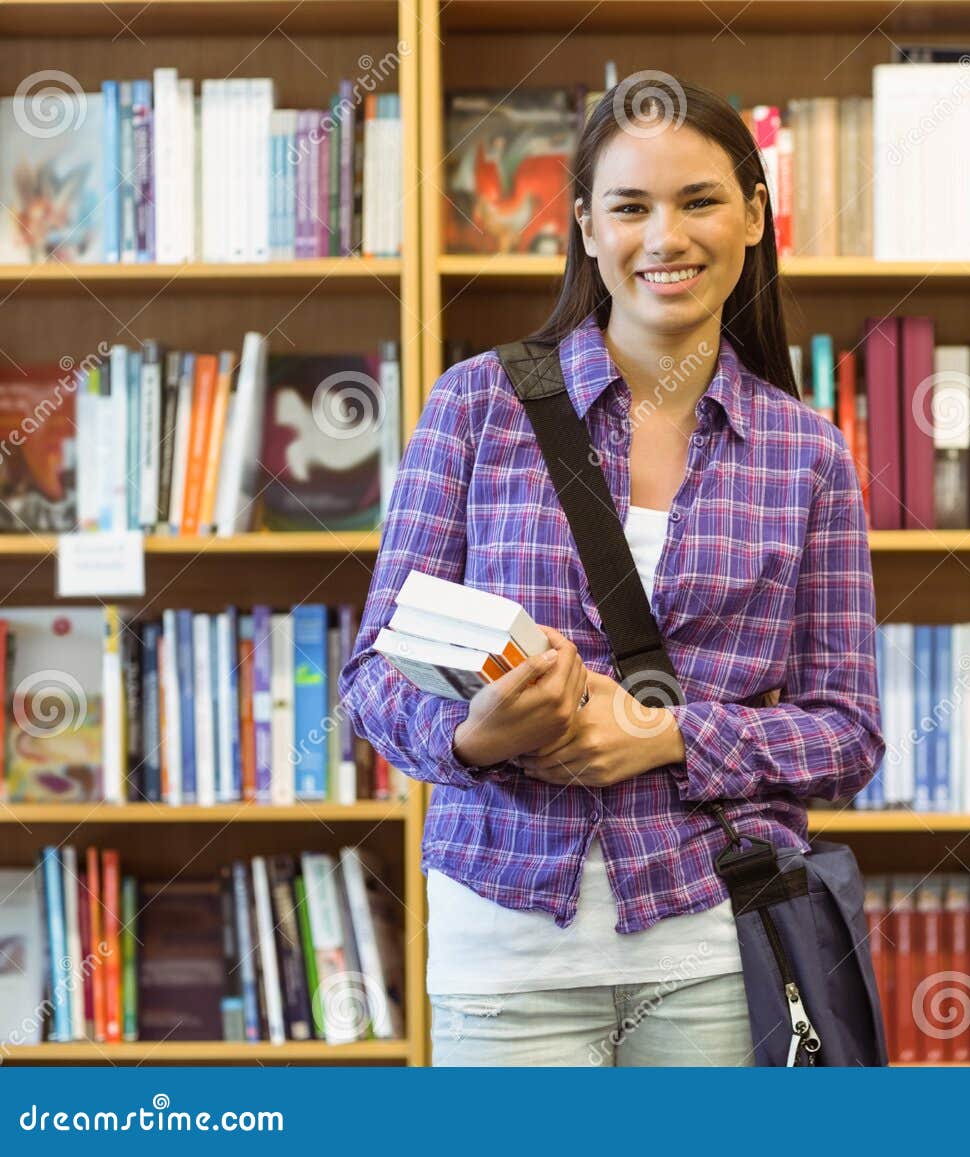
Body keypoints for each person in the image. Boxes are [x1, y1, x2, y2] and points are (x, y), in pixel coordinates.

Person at [338, 78, 885, 1066]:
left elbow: (848, 735)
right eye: (630, 207)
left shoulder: (808, 454)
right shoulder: (477, 406)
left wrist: (668, 735)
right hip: (502, 949)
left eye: (700, 201)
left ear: (754, 215)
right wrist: (472, 735)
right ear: (586, 225)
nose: (664, 237)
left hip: (716, 943)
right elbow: (372, 678)